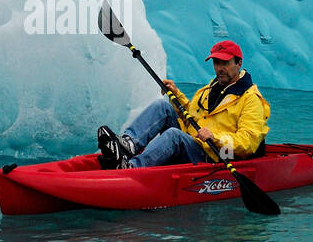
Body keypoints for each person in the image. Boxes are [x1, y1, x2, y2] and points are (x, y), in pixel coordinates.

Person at [96, 40, 270, 169]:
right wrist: (176, 95)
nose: (220, 68)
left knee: (174, 135)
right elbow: (191, 119)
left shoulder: (251, 98)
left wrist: (214, 138)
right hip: (193, 143)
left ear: (238, 63)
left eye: (225, 63)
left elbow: (249, 142)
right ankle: (128, 144)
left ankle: (133, 168)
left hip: (212, 154)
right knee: (162, 106)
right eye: (217, 63)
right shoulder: (209, 89)